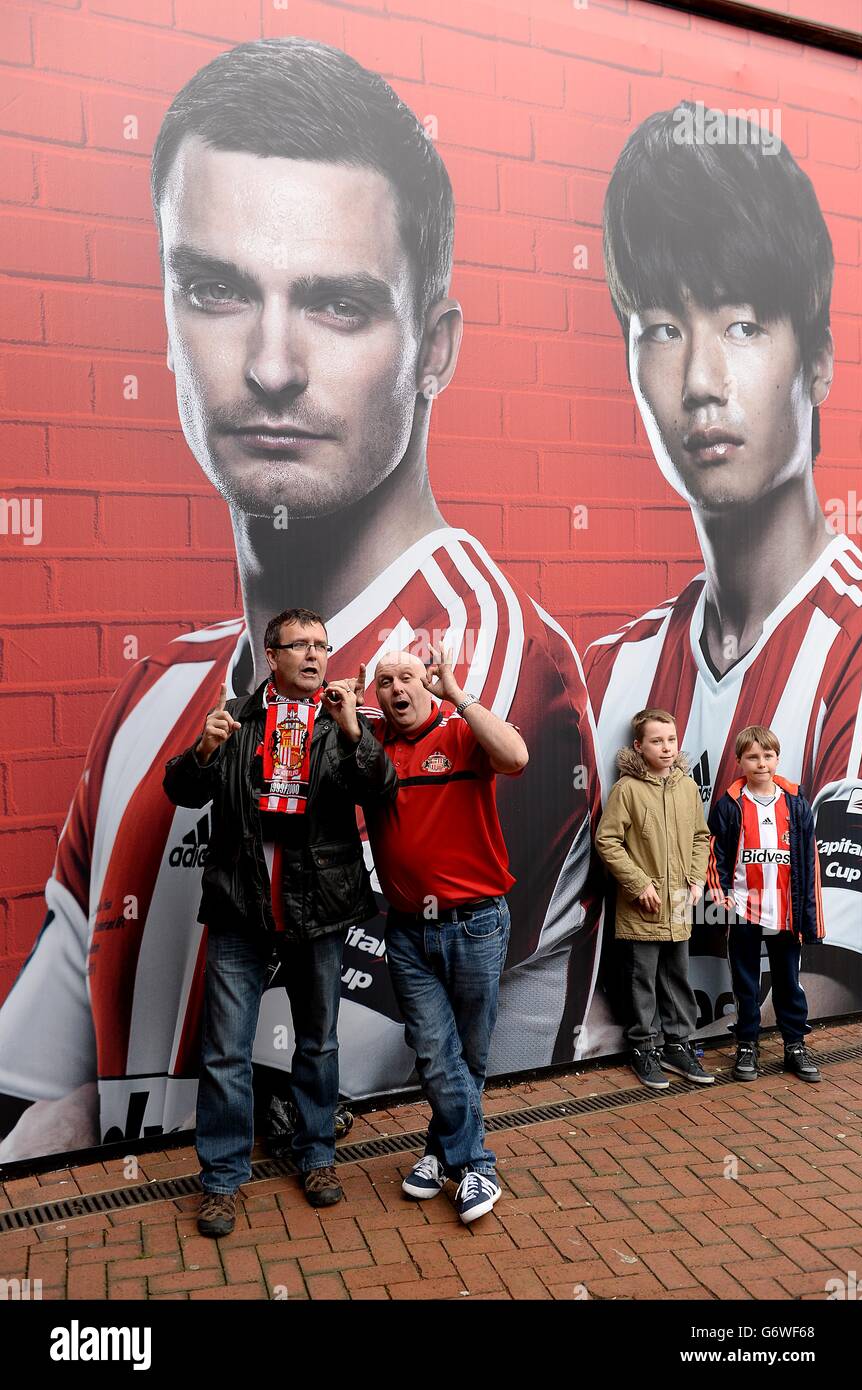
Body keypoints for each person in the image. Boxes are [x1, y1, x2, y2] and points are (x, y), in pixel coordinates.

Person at [0, 36, 602, 1164]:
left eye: (334, 304)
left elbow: (305, 1099)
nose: (270, 364)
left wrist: (86, 1137)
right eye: (217, 288)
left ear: (432, 349)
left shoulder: (480, 659)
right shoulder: (155, 697)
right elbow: (22, 1092)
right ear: (164, 313)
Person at [584, 100, 862, 1047]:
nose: (701, 377)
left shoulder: (854, 647)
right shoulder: (606, 675)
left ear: (816, 359)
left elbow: (832, 995)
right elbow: (570, 1000)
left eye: (743, 325)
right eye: (661, 329)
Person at [163, 607, 397, 1234]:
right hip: (242, 908)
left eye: (323, 645)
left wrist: (353, 732)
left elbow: (381, 789)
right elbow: (180, 790)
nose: (315, 655)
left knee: (317, 1041)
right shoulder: (235, 716)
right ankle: (221, 1179)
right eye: (300, 645)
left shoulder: (339, 714)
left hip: (318, 910)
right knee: (225, 1050)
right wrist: (205, 748)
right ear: (272, 655)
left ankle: (317, 1155)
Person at [363, 648, 528, 1222]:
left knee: (469, 1055)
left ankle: (439, 1150)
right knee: (436, 1052)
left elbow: (515, 756)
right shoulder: (370, 744)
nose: (395, 689)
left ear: (427, 685)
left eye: (406, 677)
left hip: (476, 923)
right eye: (384, 682)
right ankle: (475, 1165)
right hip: (408, 930)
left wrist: (458, 694)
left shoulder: (461, 732)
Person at [594, 709, 713, 1089]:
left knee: (677, 976)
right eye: (656, 741)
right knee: (640, 979)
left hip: (678, 901)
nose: (665, 748)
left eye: (671, 740)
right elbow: (607, 841)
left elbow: (700, 836)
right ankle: (643, 1048)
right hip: (641, 905)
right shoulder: (627, 790)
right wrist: (638, 883)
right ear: (639, 746)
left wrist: (695, 879)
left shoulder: (687, 787)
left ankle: (678, 1045)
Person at [707, 725, 825, 1085]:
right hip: (745, 908)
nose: (761, 763)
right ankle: (746, 1043)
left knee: (789, 981)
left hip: (785, 911)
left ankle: (795, 1045)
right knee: (746, 982)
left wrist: (809, 915)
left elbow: (809, 859)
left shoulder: (795, 804)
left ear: (777, 758)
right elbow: (717, 852)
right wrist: (720, 889)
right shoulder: (730, 805)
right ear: (740, 761)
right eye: (753, 757)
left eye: (768, 755)